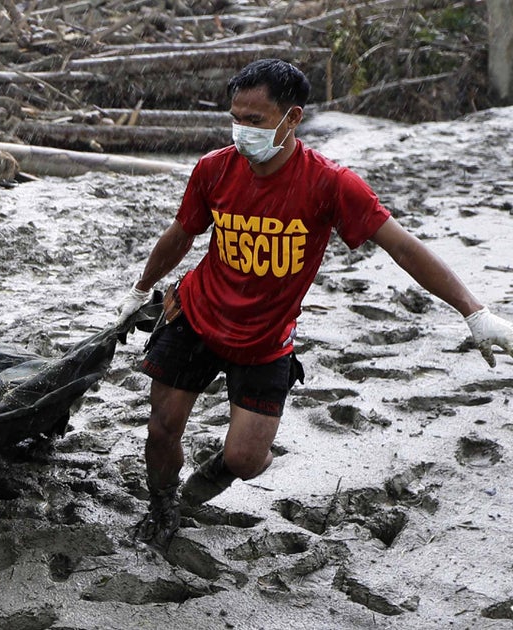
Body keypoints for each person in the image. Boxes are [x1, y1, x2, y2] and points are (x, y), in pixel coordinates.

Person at [109, 59, 513, 550]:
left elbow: (403, 247)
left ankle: (223, 467)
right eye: (234, 118)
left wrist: (473, 311)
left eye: (254, 121)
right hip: (197, 314)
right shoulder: (214, 169)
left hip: (265, 339)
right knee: (161, 429)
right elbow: (181, 234)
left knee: (246, 459)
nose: (241, 132)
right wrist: (138, 291)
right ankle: (162, 504)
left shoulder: (330, 183)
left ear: (292, 118)